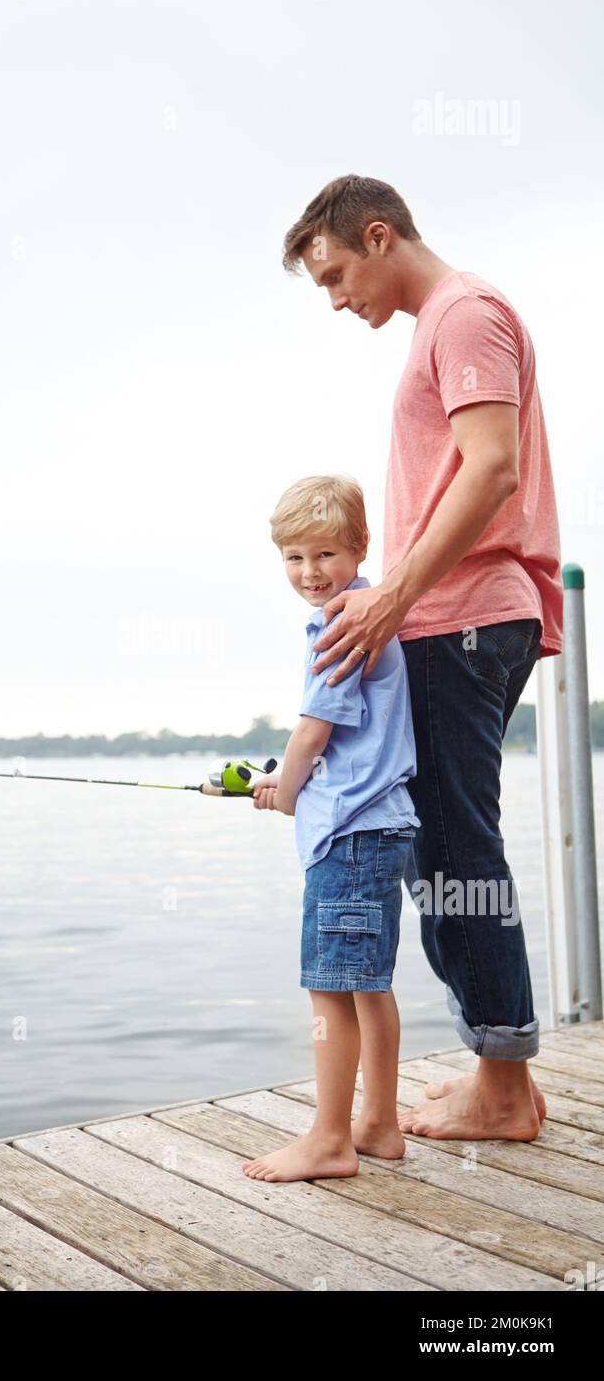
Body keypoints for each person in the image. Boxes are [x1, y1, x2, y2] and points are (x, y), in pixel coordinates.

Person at [279, 174, 563, 1141]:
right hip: (453, 620)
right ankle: (503, 1074)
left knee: (453, 850)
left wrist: (394, 592)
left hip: (464, 618)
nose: (335, 298)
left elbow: (492, 468)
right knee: (444, 847)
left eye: (334, 275)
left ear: (377, 235)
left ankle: (504, 1088)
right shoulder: (444, 323)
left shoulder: (462, 314)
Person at [242, 475, 420, 1182]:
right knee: (368, 985)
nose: (311, 573)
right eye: (295, 558)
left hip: (348, 836)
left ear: (360, 548)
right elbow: (344, 740)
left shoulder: (340, 623)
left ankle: (329, 1139)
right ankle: (376, 1124)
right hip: (379, 826)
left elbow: (314, 730)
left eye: (325, 554)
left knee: (330, 987)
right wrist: (284, 783)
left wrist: (285, 791)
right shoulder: (370, 612)